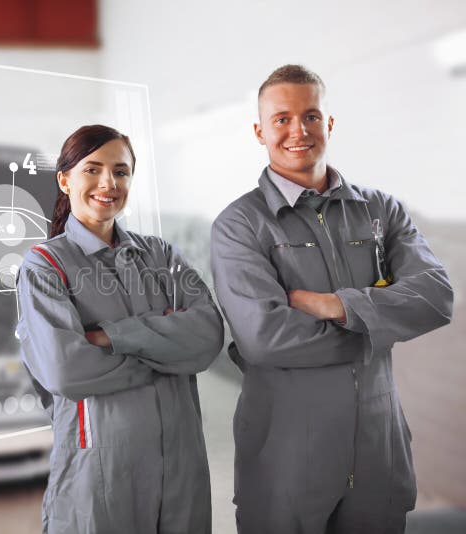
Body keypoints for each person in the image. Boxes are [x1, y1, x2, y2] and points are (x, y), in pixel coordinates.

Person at [210, 64, 454, 534]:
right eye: (281, 119)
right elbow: (265, 338)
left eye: (311, 116)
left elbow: (437, 296)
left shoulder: (381, 210)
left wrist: (337, 306)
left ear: (329, 123)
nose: (298, 131)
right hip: (287, 456)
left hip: (378, 454)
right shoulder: (240, 225)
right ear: (260, 131)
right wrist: (378, 327)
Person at [15, 124, 224, 533]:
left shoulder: (160, 254)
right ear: (65, 180)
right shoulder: (44, 266)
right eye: (92, 169)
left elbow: (209, 336)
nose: (108, 183)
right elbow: (65, 370)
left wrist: (113, 337)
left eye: (121, 171)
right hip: (101, 472)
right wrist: (166, 356)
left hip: (182, 467)